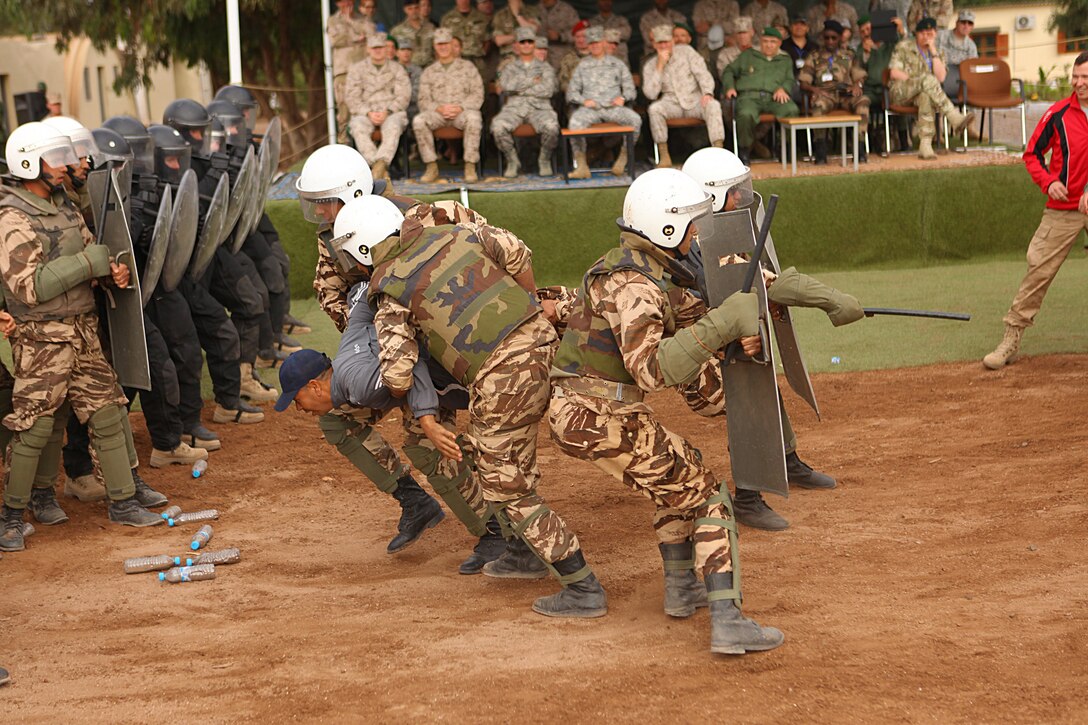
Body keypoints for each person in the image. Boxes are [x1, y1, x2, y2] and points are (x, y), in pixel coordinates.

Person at [328, 195, 604, 618]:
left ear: (363, 250)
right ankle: (521, 552)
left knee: (502, 482)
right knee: (507, 457)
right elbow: (517, 251)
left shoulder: (388, 290)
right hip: (546, 345)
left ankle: (580, 584)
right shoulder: (455, 231)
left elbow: (398, 377)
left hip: (501, 377)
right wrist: (528, 304)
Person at [547, 168, 784, 653]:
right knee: (709, 495)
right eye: (692, 225)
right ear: (666, 227)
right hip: (599, 415)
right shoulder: (634, 287)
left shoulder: (638, 268)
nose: (698, 234)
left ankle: (682, 588)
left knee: (677, 476)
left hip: (590, 412)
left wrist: (757, 308)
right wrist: (722, 327)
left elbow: (692, 312)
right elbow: (652, 370)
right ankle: (728, 618)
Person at [0, 123, 165, 551]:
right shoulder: (11, 217)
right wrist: (90, 263)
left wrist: (111, 274)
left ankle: (124, 499)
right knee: (35, 427)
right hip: (41, 341)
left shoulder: (65, 207)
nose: (64, 166)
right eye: (53, 158)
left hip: (83, 332)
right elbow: (29, 287)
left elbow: (94, 255)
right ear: (28, 163)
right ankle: (14, 514)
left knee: (109, 412)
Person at [681, 147, 863, 529]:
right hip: (691, 350)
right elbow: (763, 286)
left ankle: (786, 460)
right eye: (734, 191)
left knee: (759, 375)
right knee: (747, 393)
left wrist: (826, 300)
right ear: (710, 196)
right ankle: (748, 494)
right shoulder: (692, 247)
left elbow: (763, 281)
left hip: (720, 335)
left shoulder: (714, 237)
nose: (741, 198)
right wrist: (829, 300)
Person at [983, 53, 1088, 370]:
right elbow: (1031, 155)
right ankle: (1009, 341)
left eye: (1086, 78)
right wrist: (1049, 182)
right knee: (1037, 271)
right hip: (1063, 209)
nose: (1079, 83)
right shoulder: (1058, 113)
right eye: (1076, 77)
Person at [887, 17, 974, 160]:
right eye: (922, 33)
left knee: (925, 97)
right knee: (927, 80)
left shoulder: (938, 52)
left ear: (935, 34)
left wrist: (933, 51)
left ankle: (925, 145)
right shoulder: (904, 46)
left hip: (922, 94)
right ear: (916, 34)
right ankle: (953, 116)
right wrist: (919, 82)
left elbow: (941, 77)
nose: (925, 37)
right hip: (901, 92)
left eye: (929, 33)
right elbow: (894, 73)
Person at [643, 24, 725, 168]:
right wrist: (659, 66)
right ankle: (664, 155)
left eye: (667, 42)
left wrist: (707, 92)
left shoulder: (687, 52)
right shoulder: (650, 64)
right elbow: (651, 94)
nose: (664, 45)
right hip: (671, 103)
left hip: (694, 100)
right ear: (654, 44)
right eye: (660, 43)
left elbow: (703, 74)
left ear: (673, 41)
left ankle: (718, 152)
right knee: (654, 109)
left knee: (714, 105)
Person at [566, 25, 640, 179]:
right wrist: (583, 101)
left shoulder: (617, 64)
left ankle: (623, 158)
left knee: (635, 120)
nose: (595, 46)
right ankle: (581, 166)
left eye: (597, 43)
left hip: (613, 108)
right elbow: (571, 93)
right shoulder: (582, 65)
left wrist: (623, 98)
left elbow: (630, 90)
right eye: (591, 44)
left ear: (604, 43)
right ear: (588, 45)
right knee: (574, 124)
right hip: (591, 109)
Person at [413, 28, 485, 183]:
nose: (443, 47)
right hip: (438, 114)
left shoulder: (468, 67)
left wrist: (461, 107)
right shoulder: (429, 71)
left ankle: (470, 166)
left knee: (474, 118)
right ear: (434, 46)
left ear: (453, 45)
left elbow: (478, 94)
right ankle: (431, 166)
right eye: (439, 44)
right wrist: (438, 108)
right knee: (419, 121)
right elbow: (423, 100)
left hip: (462, 112)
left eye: (446, 43)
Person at [722, 26, 799, 165]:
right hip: (750, 96)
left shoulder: (785, 59)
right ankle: (744, 151)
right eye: (765, 41)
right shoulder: (748, 55)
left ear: (779, 43)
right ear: (761, 41)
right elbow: (728, 71)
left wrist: (783, 89)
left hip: (774, 97)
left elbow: (790, 79)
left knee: (791, 110)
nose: (769, 45)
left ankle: (784, 147)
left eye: (773, 42)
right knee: (745, 114)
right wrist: (730, 87)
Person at [492, 26, 560, 178]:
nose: (527, 45)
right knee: (497, 127)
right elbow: (506, 87)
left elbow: (548, 90)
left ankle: (544, 159)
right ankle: (512, 160)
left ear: (534, 44)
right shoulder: (509, 67)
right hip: (514, 108)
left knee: (552, 127)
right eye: (523, 42)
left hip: (540, 108)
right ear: (516, 45)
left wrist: (519, 88)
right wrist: (532, 81)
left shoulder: (545, 67)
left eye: (530, 41)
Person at [798, 20, 869, 164]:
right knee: (818, 106)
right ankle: (821, 151)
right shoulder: (814, 56)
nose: (830, 41)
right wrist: (815, 89)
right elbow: (803, 82)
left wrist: (857, 85)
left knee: (863, 101)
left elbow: (860, 76)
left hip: (845, 93)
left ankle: (859, 148)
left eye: (833, 38)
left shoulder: (849, 55)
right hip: (825, 94)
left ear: (840, 38)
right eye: (826, 38)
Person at [346, 35, 412, 182]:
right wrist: (368, 113)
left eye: (381, 47)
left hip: (391, 112)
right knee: (357, 125)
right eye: (374, 48)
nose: (378, 51)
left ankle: (380, 166)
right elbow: (352, 98)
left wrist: (387, 111)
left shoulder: (397, 69)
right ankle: (378, 166)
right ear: (368, 49)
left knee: (394, 126)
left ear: (386, 49)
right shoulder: (357, 70)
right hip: (366, 112)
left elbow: (404, 96)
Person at [328, 0, 373, 143]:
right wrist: (356, 38)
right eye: (343, 2)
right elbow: (336, 40)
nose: (348, 4)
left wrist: (351, 22)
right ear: (338, 4)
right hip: (344, 71)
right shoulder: (333, 20)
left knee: (366, 107)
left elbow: (371, 34)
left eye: (350, 1)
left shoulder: (362, 18)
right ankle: (344, 143)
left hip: (364, 70)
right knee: (344, 109)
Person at [441, 0, 492, 75]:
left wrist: (482, 52)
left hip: (477, 63)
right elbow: (442, 42)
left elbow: (488, 40)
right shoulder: (447, 19)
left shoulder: (482, 18)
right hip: (455, 63)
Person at [937, 10, 978, 99]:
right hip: (937, 81)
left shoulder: (971, 46)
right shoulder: (941, 36)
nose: (966, 26)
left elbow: (971, 71)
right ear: (957, 23)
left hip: (959, 84)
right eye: (963, 22)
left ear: (972, 27)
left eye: (970, 23)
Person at [392, 0, 436, 68]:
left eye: (416, 8)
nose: (414, 11)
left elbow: (436, 49)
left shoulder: (431, 27)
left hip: (429, 69)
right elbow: (392, 53)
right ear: (405, 10)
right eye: (410, 9)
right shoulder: (397, 31)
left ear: (420, 8)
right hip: (408, 70)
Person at [589, 0, 632, 68]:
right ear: (598, 2)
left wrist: (603, 33)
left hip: (620, 60)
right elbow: (591, 37)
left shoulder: (621, 20)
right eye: (603, 0)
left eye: (608, 0)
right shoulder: (592, 22)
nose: (606, 2)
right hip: (599, 62)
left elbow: (626, 34)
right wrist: (613, 34)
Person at [538, 0, 580, 68]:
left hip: (562, 57)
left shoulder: (567, 10)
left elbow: (578, 34)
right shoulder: (538, 8)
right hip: (541, 55)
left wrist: (560, 36)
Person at [557, 20, 591, 93]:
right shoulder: (567, 59)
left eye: (584, 36)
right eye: (577, 37)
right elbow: (563, 82)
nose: (581, 40)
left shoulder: (598, 56)